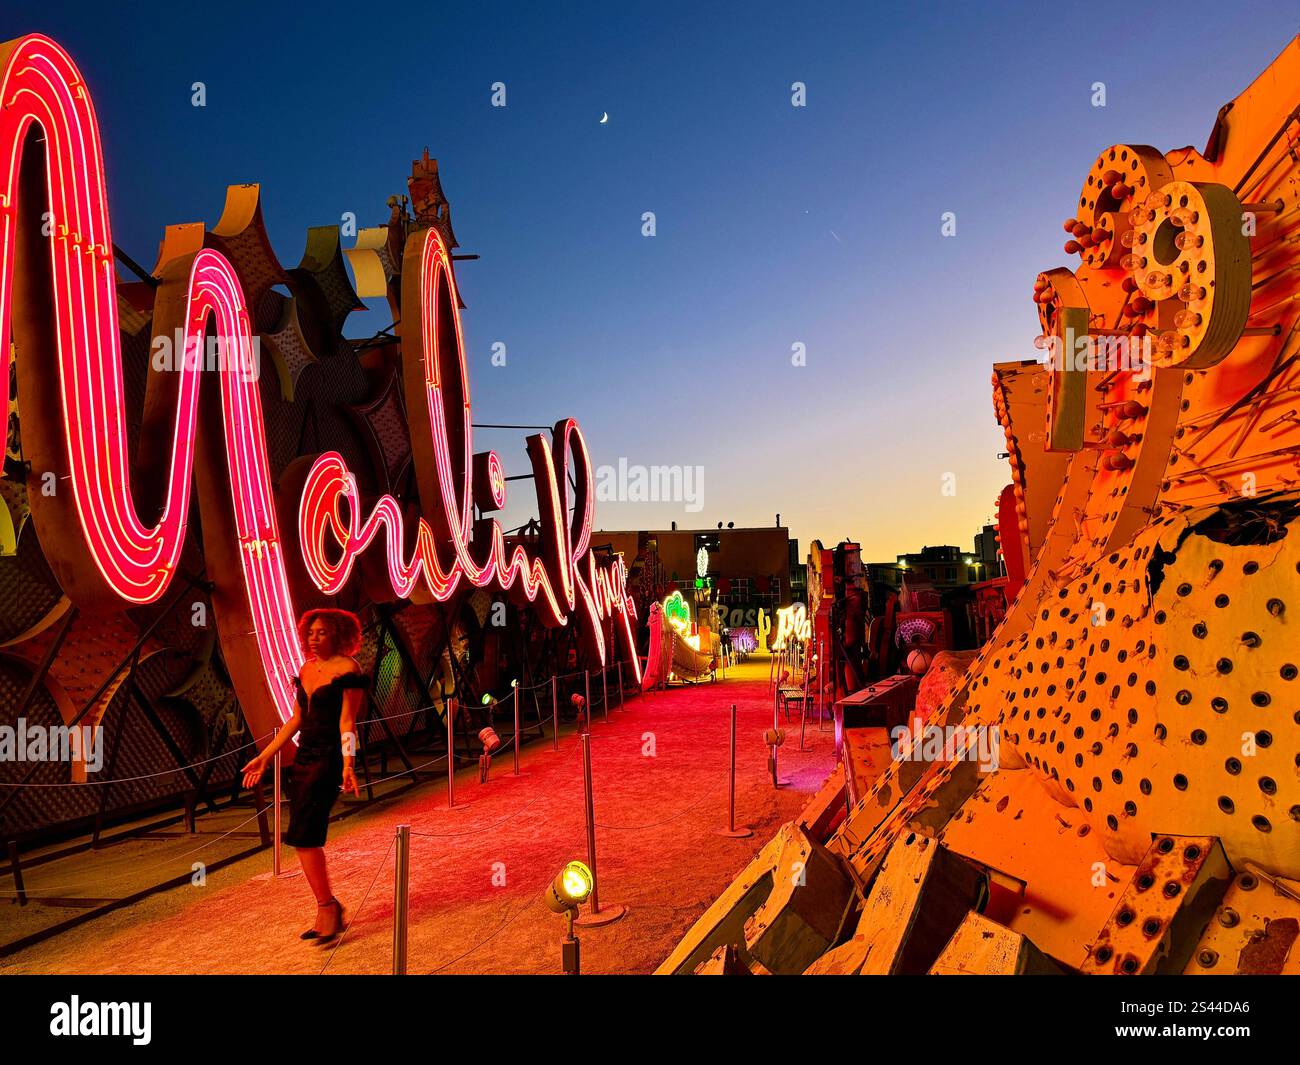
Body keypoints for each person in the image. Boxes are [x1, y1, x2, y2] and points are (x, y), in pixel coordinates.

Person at [242, 608, 365, 944]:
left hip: (329, 756)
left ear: (338, 636)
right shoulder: (306, 669)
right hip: (304, 754)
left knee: (305, 835)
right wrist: (265, 757)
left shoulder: (348, 670)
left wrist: (348, 763)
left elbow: (347, 722)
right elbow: (295, 720)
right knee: (302, 836)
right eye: (310, 632)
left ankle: (328, 908)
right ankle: (328, 906)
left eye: (322, 632)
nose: (314, 638)